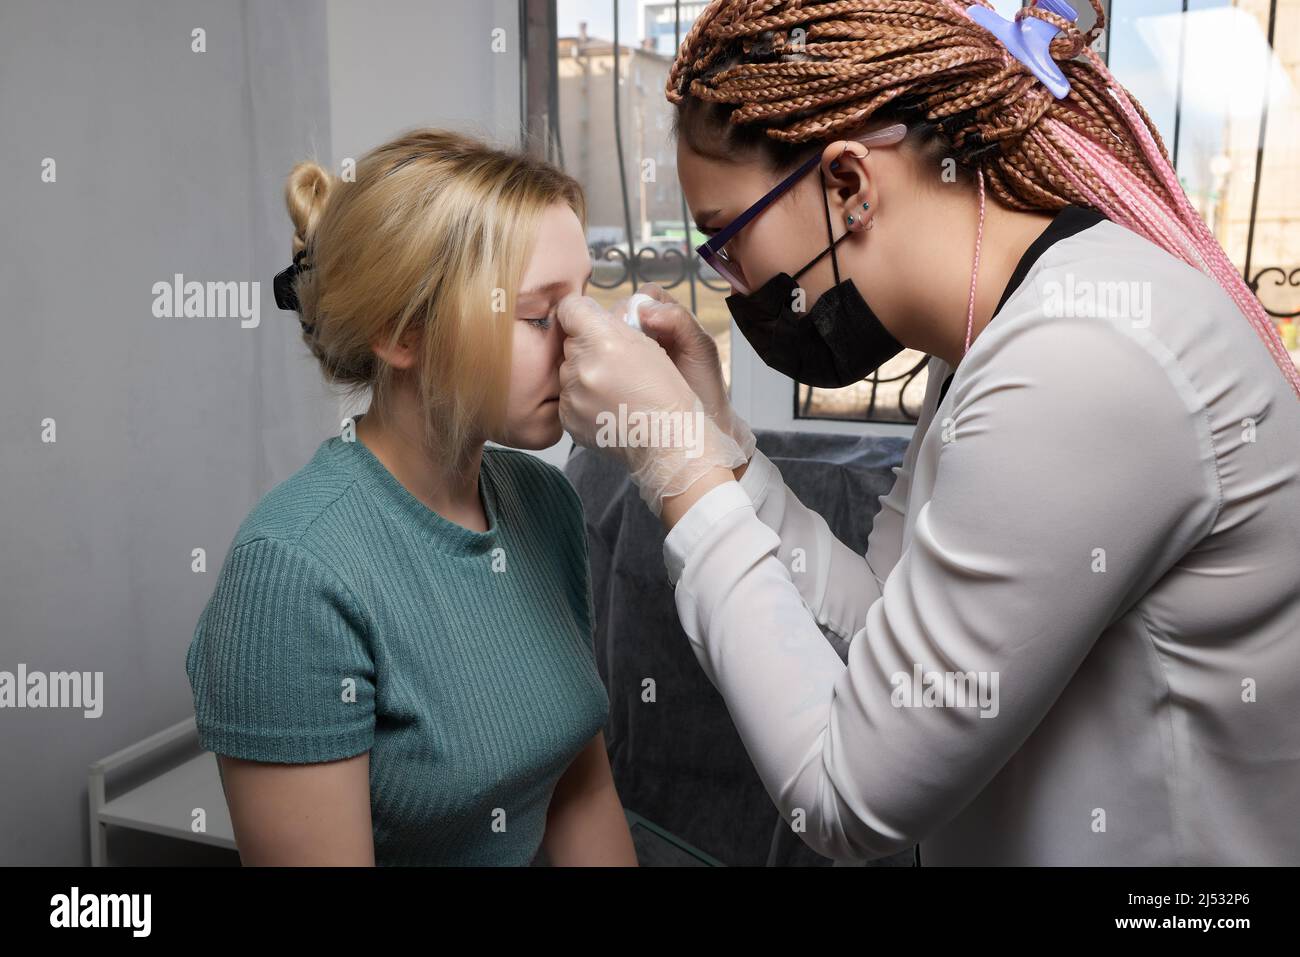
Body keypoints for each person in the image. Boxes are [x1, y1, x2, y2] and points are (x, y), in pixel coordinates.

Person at [554, 0, 1300, 864]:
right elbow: (884, 628)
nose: (732, 279)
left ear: (847, 185)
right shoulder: (1002, 333)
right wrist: (723, 448)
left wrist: (678, 468)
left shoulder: (1080, 360)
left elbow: (846, 795)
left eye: (726, 237)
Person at [186, 129, 636, 866]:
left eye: (586, 298)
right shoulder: (295, 575)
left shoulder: (545, 502)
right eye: (537, 314)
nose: (586, 341)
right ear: (402, 332)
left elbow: (578, 793)